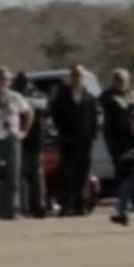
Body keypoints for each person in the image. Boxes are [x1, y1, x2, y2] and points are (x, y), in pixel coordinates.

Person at [49, 66, 99, 216]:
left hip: (84, 141)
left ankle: (80, 205)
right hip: (67, 140)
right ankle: (66, 205)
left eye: (79, 76)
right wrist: (62, 133)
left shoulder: (89, 98)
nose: (76, 79)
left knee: (82, 174)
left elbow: (94, 118)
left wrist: (92, 135)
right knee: (67, 174)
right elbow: (55, 114)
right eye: (74, 76)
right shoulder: (62, 96)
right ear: (70, 78)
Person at [0, 67, 33, 220]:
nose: (3, 82)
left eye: (6, 79)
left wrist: (24, 131)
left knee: (14, 175)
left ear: (10, 82)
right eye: (0, 78)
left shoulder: (15, 97)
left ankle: (14, 209)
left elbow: (29, 112)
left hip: (12, 138)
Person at [11, 72, 48, 218]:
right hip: (19, 139)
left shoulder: (37, 96)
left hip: (35, 141)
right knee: (20, 176)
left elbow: (44, 105)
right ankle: (22, 207)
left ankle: (39, 207)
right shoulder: (12, 97)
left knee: (36, 176)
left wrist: (23, 100)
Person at [100, 68, 134, 209]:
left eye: (122, 80)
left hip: (133, 139)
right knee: (122, 170)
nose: (120, 82)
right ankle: (124, 200)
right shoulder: (106, 97)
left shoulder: (132, 95)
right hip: (116, 139)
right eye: (117, 79)